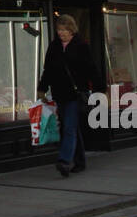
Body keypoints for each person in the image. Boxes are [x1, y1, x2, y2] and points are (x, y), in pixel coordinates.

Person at [37, 15, 97, 178]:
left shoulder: (81, 46)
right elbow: (47, 70)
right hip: (59, 94)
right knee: (71, 128)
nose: (61, 33)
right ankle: (80, 161)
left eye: (64, 30)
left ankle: (64, 161)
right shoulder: (54, 47)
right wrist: (41, 89)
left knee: (69, 127)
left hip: (76, 94)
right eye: (59, 30)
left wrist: (100, 91)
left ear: (72, 30)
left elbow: (92, 70)